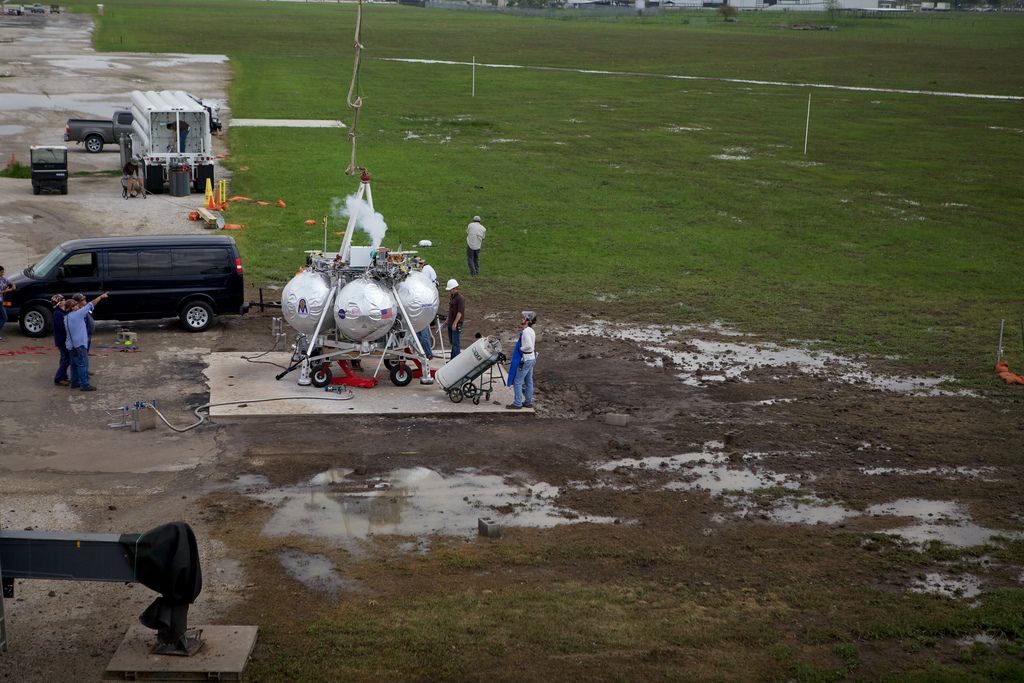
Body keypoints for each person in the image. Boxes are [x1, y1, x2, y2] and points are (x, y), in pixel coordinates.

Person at [65, 291, 108, 392]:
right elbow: (91, 304)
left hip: (71, 345)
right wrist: (101, 297)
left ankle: (74, 383)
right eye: (75, 305)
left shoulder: (66, 317)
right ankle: (84, 384)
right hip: (79, 344)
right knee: (82, 365)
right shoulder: (78, 314)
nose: (77, 306)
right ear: (72, 308)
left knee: (74, 365)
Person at [507, 311, 538, 410]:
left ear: (528, 321)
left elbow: (528, 345)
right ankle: (528, 402)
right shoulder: (531, 331)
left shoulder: (526, 331)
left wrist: (521, 349)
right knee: (529, 381)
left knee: (517, 381)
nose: (522, 319)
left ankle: (517, 403)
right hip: (532, 358)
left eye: (524, 318)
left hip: (526, 359)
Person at [415, 257, 438, 360]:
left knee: (423, 334)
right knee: (419, 334)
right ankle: (422, 353)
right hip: (428, 303)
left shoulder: (425, 271)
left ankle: (427, 353)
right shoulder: (429, 268)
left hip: (424, 307)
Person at [51, 294, 71, 385]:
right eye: (63, 299)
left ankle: (63, 376)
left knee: (64, 358)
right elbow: (61, 327)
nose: (65, 300)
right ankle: (58, 378)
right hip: (62, 340)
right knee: (66, 358)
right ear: (59, 303)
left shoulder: (63, 311)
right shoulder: (58, 314)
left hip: (64, 339)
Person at [446, 278, 464, 359]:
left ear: (455, 288)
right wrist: (448, 319)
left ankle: (456, 360)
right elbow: (451, 310)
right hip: (450, 323)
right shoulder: (452, 297)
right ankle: (452, 359)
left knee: (455, 343)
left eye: (451, 289)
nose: (450, 291)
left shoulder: (460, 299)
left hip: (456, 324)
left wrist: (455, 323)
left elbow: (459, 313)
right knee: (452, 342)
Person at [0, 265, 15, 341]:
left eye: (3, 272)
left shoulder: (3, 279)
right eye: (1, 272)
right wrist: (9, 290)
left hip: (1, 301)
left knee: (2, 317)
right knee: (4, 317)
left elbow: (9, 281)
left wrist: (13, 285)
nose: (3, 273)